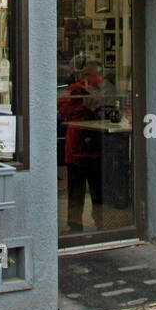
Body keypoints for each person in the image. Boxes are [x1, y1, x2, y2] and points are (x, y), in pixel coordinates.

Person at [57, 59, 106, 232]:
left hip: (94, 144)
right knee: (76, 188)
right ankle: (75, 224)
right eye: (84, 73)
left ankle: (100, 222)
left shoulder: (102, 89)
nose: (98, 78)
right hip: (78, 144)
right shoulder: (75, 90)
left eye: (89, 74)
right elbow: (61, 108)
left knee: (96, 188)